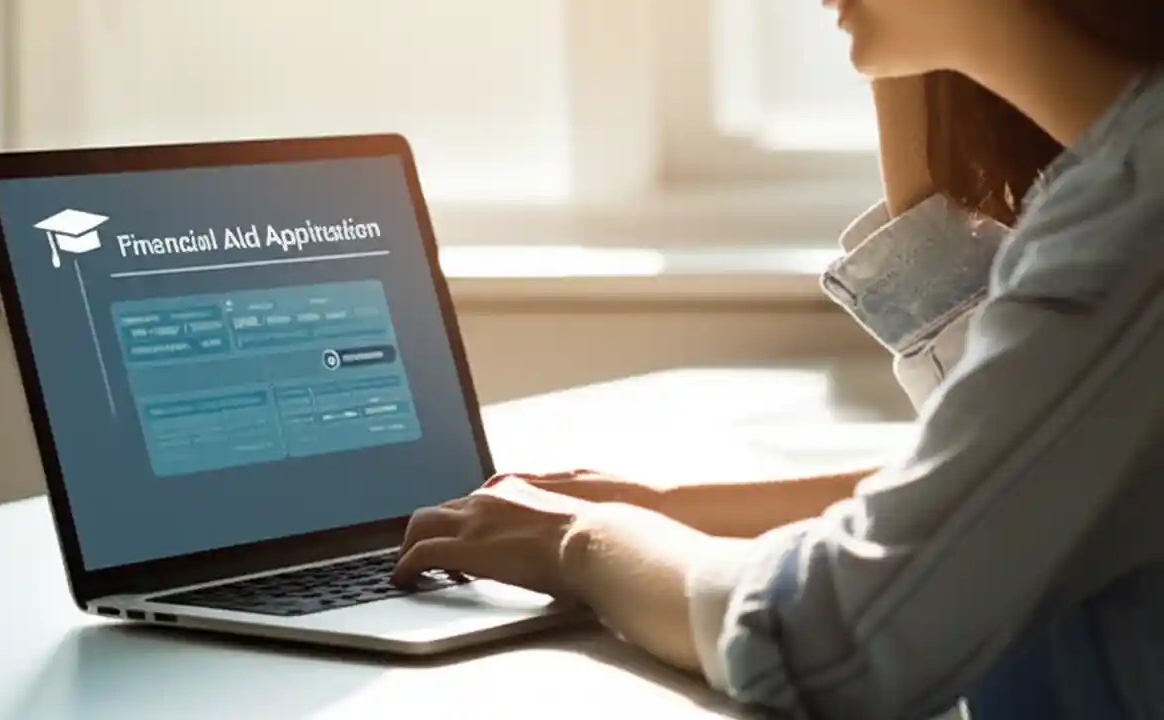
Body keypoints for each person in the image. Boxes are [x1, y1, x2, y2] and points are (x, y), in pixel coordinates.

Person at [391, 0, 1164, 717]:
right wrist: (662, 506)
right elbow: (1013, 477)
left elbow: (836, 639)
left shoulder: (1136, 226)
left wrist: (579, 544)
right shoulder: (1119, 179)